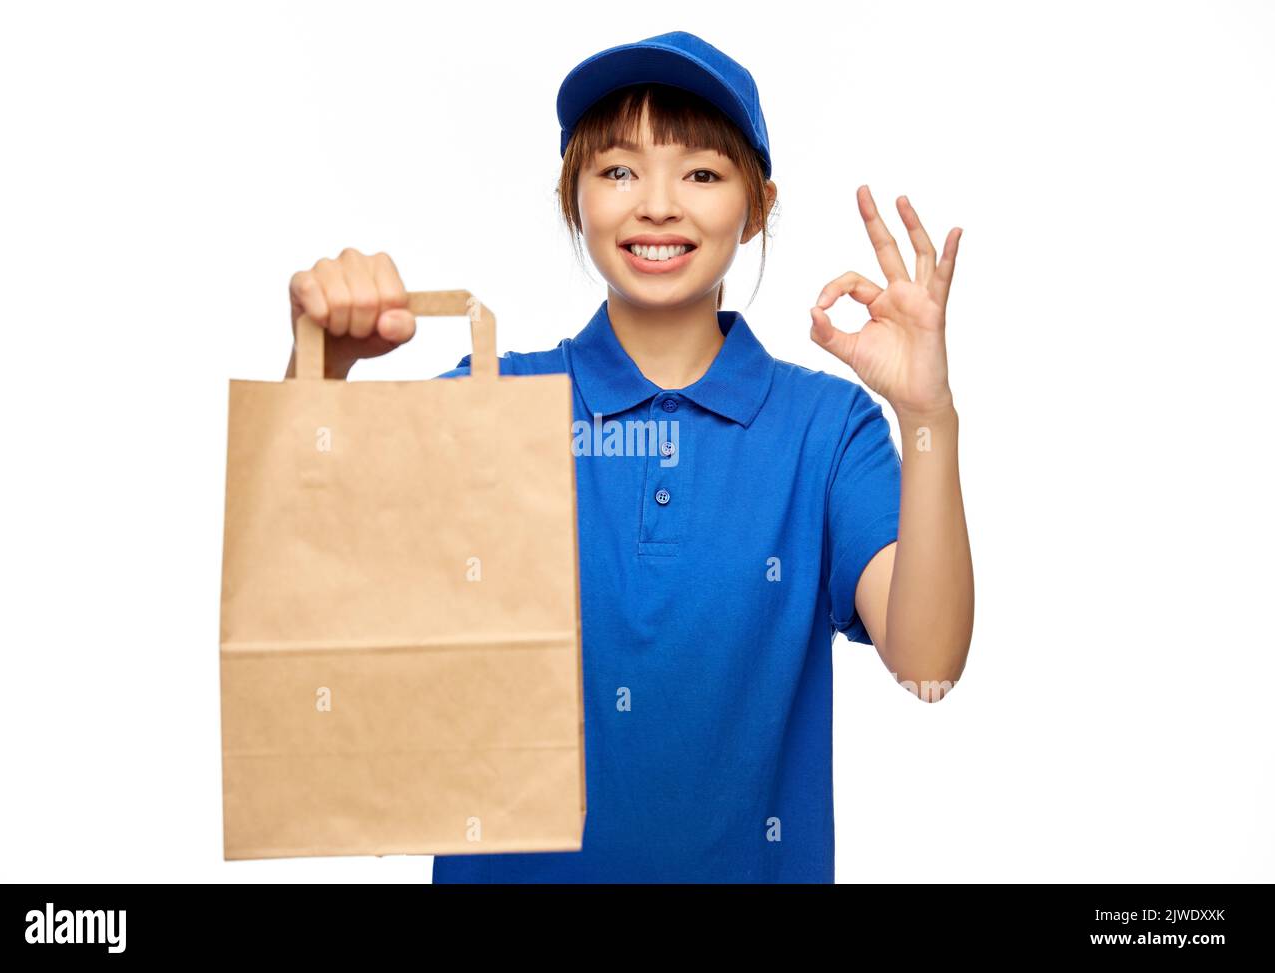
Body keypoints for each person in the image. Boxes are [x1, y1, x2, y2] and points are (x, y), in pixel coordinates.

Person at [284, 31, 973, 883]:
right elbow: (310, 575)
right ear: (575, 197)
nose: (656, 204)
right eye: (617, 171)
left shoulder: (824, 429)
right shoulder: (496, 400)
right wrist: (320, 370)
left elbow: (930, 661)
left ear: (757, 206)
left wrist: (926, 415)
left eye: (701, 173)